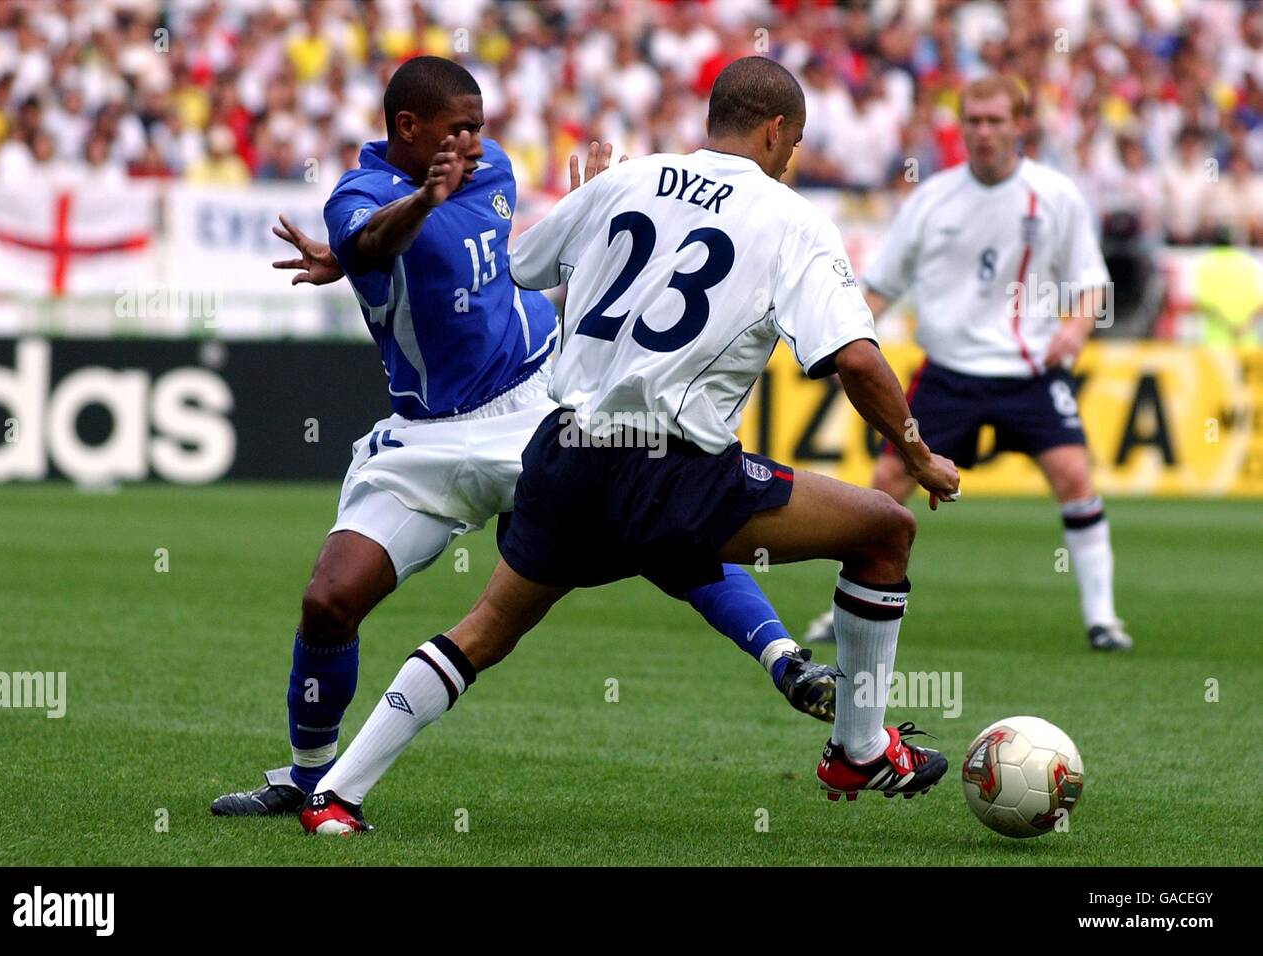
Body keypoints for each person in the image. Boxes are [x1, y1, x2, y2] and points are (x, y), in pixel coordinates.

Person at [299, 56, 961, 836]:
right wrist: (915, 453)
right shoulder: (792, 219)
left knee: (483, 630)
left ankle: (335, 793)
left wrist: (590, 209)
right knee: (888, 529)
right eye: (796, 143)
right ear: (777, 132)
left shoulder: (631, 179)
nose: (794, 158)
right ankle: (856, 746)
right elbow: (854, 357)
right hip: (667, 463)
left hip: (564, 450)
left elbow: (521, 267)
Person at [804, 75, 1131, 651]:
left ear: (1019, 125)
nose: (982, 132)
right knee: (885, 483)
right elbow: (878, 286)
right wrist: (836, 337)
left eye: (994, 121)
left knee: (1075, 477)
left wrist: (1076, 331)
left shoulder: (1055, 195)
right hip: (949, 371)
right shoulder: (931, 199)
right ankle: (843, 614)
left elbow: (1089, 284)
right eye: (972, 121)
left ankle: (1103, 620)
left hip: (1029, 372)